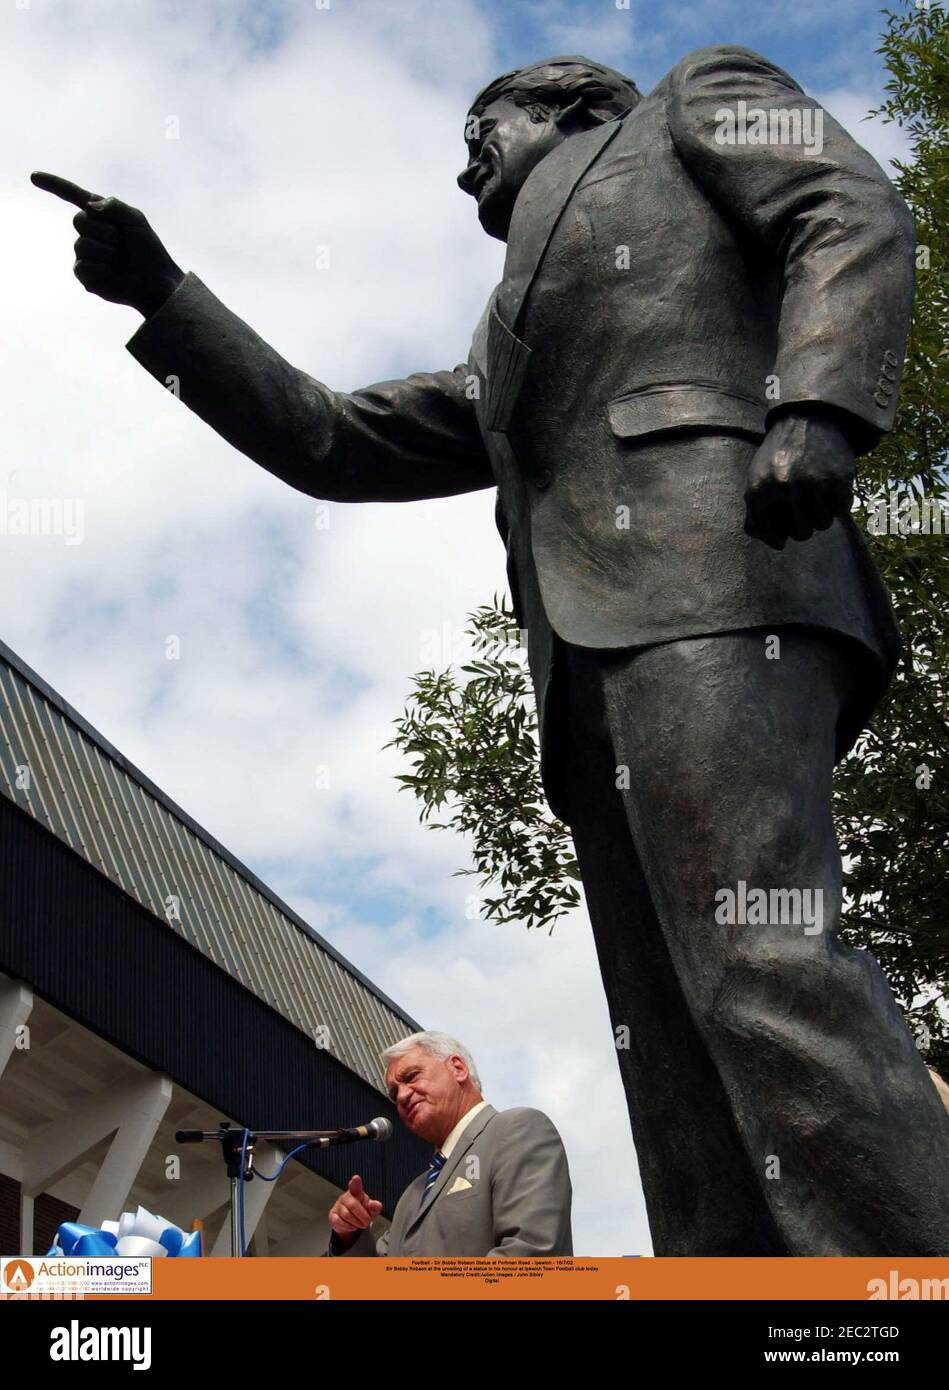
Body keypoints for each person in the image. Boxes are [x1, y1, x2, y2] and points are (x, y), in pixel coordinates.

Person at [32, 45, 949, 1255]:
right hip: (589, 669)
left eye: (483, 123)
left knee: (761, 956)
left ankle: (899, 1278)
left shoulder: (692, 99)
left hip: (720, 572)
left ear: (569, 106)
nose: (462, 156)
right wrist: (167, 296)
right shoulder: (501, 351)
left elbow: (849, 205)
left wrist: (819, 409)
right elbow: (337, 439)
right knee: (667, 1031)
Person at [326, 1032, 572, 1256]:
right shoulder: (412, 1195)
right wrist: (349, 1236)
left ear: (457, 1068)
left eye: (411, 1076)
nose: (401, 1096)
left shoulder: (518, 1129)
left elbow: (530, 1257)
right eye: (393, 1093)